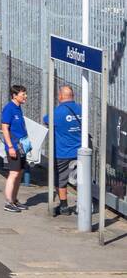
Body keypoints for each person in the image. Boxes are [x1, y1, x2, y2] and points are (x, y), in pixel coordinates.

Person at [48, 84, 82, 217]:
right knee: (81, 179)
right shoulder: (81, 109)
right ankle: (83, 206)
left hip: (62, 152)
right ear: (72, 96)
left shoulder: (58, 112)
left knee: (60, 179)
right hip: (79, 152)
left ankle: (64, 206)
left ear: (60, 96)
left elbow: (47, 120)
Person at [0, 84, 29, 213]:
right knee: (14, 173)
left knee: (20, 172)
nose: (25, 96)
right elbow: (5, 128)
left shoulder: (18, 108)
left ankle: (14, 199)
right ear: (14, 95)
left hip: (21, 146)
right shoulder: (9, 109)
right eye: (23, 94)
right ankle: (8, 202)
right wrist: (10, 147)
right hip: (14, 146)